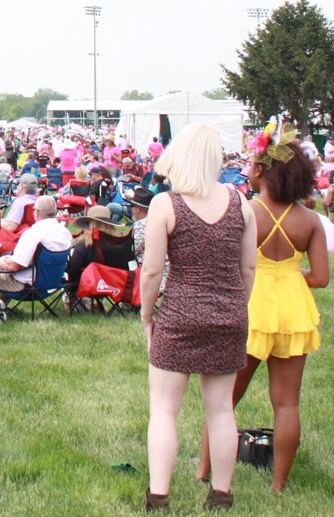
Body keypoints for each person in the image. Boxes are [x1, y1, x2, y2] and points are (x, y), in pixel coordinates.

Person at [196, 123, 328, 495]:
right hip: (293, 310)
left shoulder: (244, 211)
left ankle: (204, 471)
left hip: (250, 306)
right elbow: (321, 277)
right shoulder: (310, 220)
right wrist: (291, 276)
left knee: (224, 401)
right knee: (287, 405)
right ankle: (278, 484)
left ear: (260, 171)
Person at [140, 122, 256, 512]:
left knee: (164, 409)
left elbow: (152, 271)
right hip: (229, 314)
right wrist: (237, 306)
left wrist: (147, 314)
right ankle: (221, 494)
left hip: (179, 315)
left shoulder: (166, 204)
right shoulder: (241, 202)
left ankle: (159, 496)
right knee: (221, 410)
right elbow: (248, 268)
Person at [0, 196, 72, 293]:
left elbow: (14, 267)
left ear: (37, 212)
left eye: (34, 210)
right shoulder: (66, 233)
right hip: (53, 284)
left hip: (27, 287)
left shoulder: (33, 233)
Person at [65, 204, 137, 294]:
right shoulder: (121, 241)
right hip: (118, 284)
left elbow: (74, 269)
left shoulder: (86, 243)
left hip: (92, 285)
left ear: (90, 223)